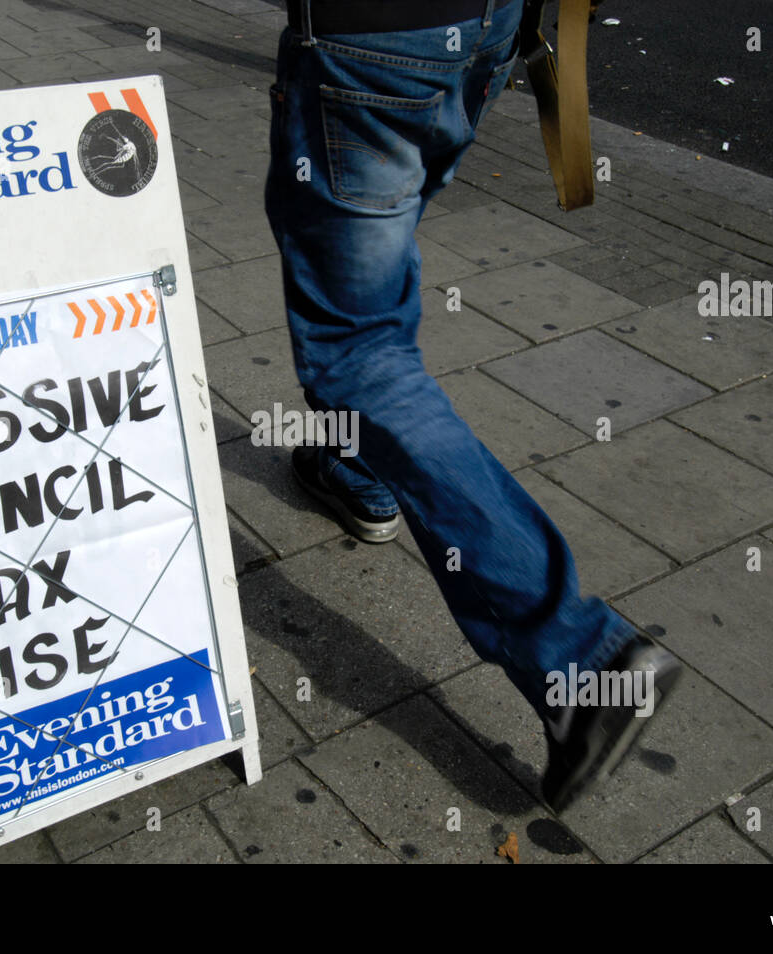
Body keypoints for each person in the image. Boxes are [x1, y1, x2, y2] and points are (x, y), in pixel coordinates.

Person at [264, 0, 680, 811]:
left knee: (357, 349)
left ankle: (584, 661)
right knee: (378, 253)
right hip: (490, 25)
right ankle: (358, 468)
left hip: (373, 37)